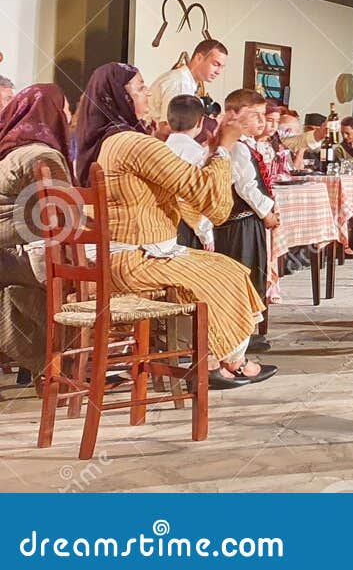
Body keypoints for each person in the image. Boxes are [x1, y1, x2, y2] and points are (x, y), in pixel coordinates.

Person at [73, 63, 275, 388]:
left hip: (115, 257)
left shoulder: (102, 141)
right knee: (226, 273)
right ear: (117, 97)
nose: (148, 93)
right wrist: (223, 148)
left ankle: (221, 360)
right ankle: (225, 363)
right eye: (140, 88)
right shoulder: (132, 143)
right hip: (136, 261)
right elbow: (204, 193)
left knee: (226, 268)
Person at [0, 85, 75, 381]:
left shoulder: (9, 151)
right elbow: (65, 218)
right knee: (107, 271)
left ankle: (45, 364)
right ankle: (77, 363)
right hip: (19, 258)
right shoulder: (42, 156)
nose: (69, 116)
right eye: (65, 108)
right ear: (51, 113)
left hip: (9, 256)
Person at [213, 89, 279, 300]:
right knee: (246, 273)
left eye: (263, 115)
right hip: (241, 224)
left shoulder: (247, 145)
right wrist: (266, 213)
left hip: (248, 221)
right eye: (254, 115)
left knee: (253, 273)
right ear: (235, 115)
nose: (261, 120)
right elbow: (246, 187)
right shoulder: (238, 148)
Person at [164, 94, 217, 254]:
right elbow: (199, 198)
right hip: (188, 226)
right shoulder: (198, 154)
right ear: (200, 121)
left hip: (162, 223)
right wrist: (206, 234)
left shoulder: (160, 149)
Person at [147, 39, 228, 137]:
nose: (218, 72)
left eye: (222, 67)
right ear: (199, 58)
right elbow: (167, 128)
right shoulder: (180, 83)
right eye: (216, 64)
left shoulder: (187, 82)